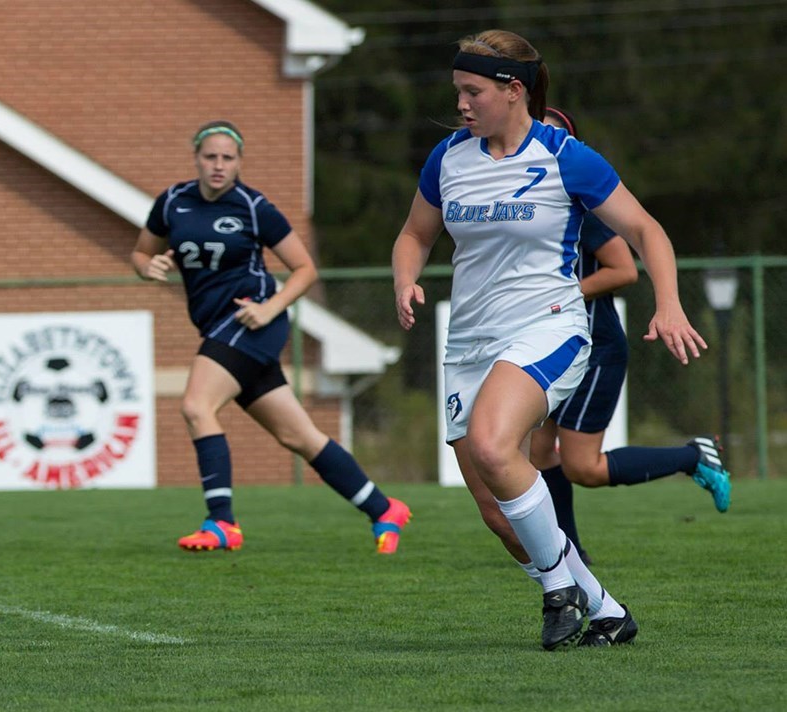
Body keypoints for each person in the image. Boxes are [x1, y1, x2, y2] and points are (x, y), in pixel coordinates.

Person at [392, 30, 707, 649]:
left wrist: (668, 305)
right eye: (457, 90)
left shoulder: (567, 157)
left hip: (548, 326)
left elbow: (647, 231)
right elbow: (414, 234)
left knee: (492, 442)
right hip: (468, 345)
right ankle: (606, 610)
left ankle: (556, 592)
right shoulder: (448, 159)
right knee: (497, 513)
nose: (460, 103)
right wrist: (405, 278)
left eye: (472, 91)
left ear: (514, 91)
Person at [131, 120, 411, 554]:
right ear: (197, 159)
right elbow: (141, 251)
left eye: (228, 158)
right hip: (220, 328)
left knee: (195, 405)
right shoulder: (172, 202)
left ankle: (222, 522)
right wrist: (145, 266)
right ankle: (383, 509)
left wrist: (270, 308)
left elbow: (305, 269)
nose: (219, 165)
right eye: (211, 157)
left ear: (239, 162)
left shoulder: (253, 206)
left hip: (250, 322)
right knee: (298, 436)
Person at [529, 107, 732, 564]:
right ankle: (569, 553)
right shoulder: (524, 203)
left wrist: (562, 294)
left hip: (594, 348)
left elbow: (624, 270)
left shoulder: (582, 203)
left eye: (554, 134)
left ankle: (691, 456)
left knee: (583, 467)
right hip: (545, 342)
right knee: (538, 452)